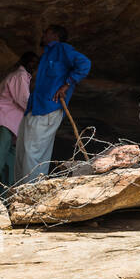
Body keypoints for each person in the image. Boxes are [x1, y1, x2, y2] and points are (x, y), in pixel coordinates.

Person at [16, 24, 91, 185]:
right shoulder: (46, 54)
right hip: (34, 108)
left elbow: (84, 64)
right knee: (22, 151)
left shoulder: (62, 49)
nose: (43, 34)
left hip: (48, 108)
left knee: (33, 152)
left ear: (55, 35)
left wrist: (67, 84)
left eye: (46, 32)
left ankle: (30, 191)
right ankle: (18, 190)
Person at [0, 52, 38, 205]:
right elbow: (23, 100)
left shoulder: (21, 76)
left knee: (10, 162)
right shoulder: (20, 75)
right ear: (31, 63)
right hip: (3, 121)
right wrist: (40, 112)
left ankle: (5, 199)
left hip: (10, 125)